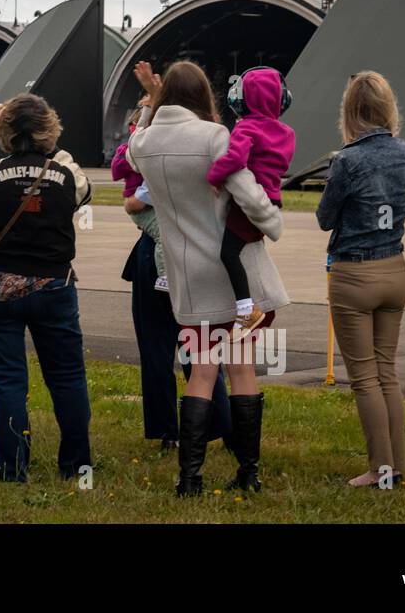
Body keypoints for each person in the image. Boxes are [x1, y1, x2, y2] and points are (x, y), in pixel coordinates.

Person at [127, 60, 288, 497]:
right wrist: (272, 221)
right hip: (232, 273)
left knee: (201, 370)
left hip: (187, 275)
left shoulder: (144, 145)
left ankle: (189, 479)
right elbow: (246, 189)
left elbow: (134, 146)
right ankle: (248, 472)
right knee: (241, 369)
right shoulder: (216, 137)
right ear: (204, 95)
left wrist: (149, 105)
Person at [0, 95, 92, 482]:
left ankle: (13, 469)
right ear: (51, 132)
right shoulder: (65, 175)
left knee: (9, 382)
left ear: (5, 134)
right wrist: (47, 143)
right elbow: (78, 179)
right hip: (53, 288)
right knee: (68, 378)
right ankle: (77, 465)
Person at [316, 72, 405, 488]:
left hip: (354, 272)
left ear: (351, 111)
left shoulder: (346, 160)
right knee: (387, 371)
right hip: (394, 266)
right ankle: (398, 462)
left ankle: (381, 469)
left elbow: (325, 218)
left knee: (363, 377)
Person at [117, 102, 233, 451]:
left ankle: (167, 430)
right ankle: (222, 424)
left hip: (157, 252)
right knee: (200, 346)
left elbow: (134, 202)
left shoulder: (150, 150)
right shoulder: (208, 146)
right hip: (197, 251)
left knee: (156, 346)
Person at [206, 67, 296, 340]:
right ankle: (248, 305)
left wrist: (214, 175)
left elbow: (235, 159)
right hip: (271, 198)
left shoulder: (246, 127)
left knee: (227, 253)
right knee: (243, 251)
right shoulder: (287, 133)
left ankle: (246, 308)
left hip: (245, 207)